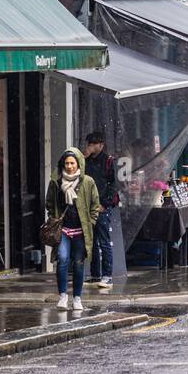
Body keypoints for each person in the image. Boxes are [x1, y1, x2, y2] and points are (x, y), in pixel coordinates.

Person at [45, 148, 101, 312]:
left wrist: (91, 222)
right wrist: (53, 218)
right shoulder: (56, 181)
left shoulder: (88, 182)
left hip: (81, 231)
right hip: (63, 230)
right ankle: (63, 296)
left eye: (72, 163)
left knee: (78, 263)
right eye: (66, 163)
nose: (69, 166)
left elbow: (94, 205)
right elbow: (49, 203)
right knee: (62, 260)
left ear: (79, 164)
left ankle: (77, 298)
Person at [82, 131, 118, 289]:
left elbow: (113, 184)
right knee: (91, 241)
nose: (89, 147)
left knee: (104, 240)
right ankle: (95, 274)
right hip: (87, 205)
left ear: (101, 145)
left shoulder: (108, 161)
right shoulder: (85, 161)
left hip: (102, 206)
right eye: (88, 144)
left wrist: (105, 203)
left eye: (92, 144)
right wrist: (82, 158)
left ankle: (107, 275)